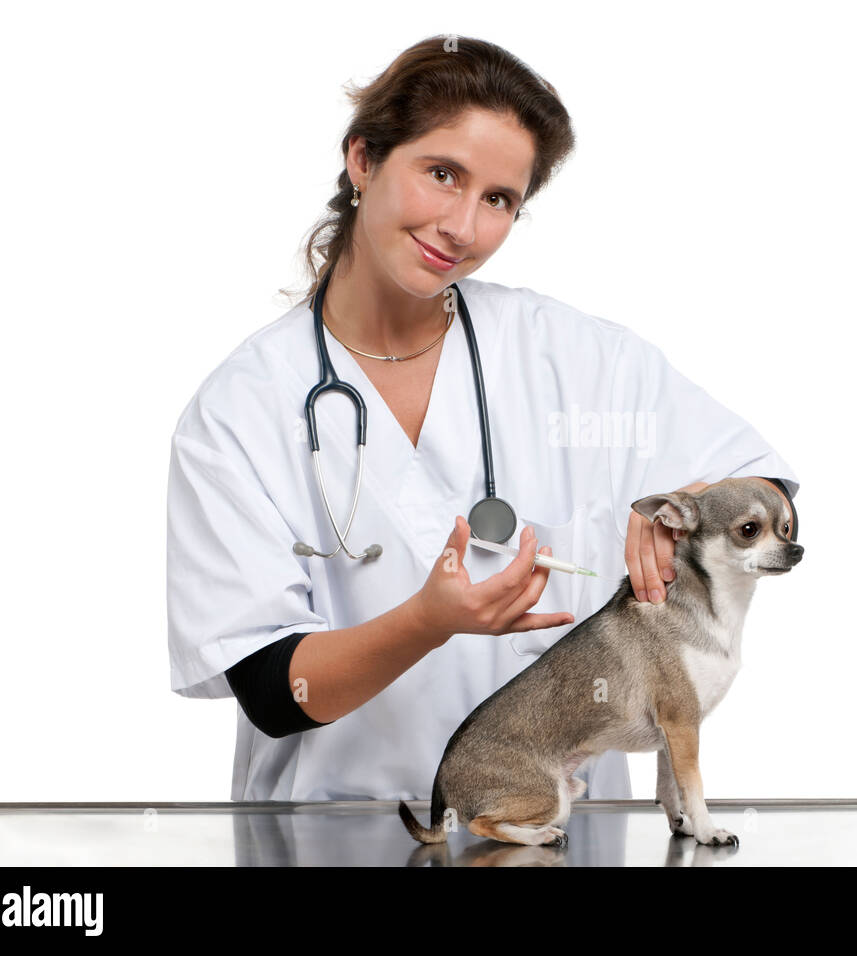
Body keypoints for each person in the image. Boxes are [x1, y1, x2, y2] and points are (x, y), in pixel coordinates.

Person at [166, 35, 800, 802]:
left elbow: (765, 485)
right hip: (342, 833)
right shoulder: (242, 410)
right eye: (442, 175)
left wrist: (700, 504)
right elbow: (270, 691)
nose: (463, 227)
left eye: (499, 199)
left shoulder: (575, 357)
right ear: (363, 161)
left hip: (562, 832)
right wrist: (427, 621)